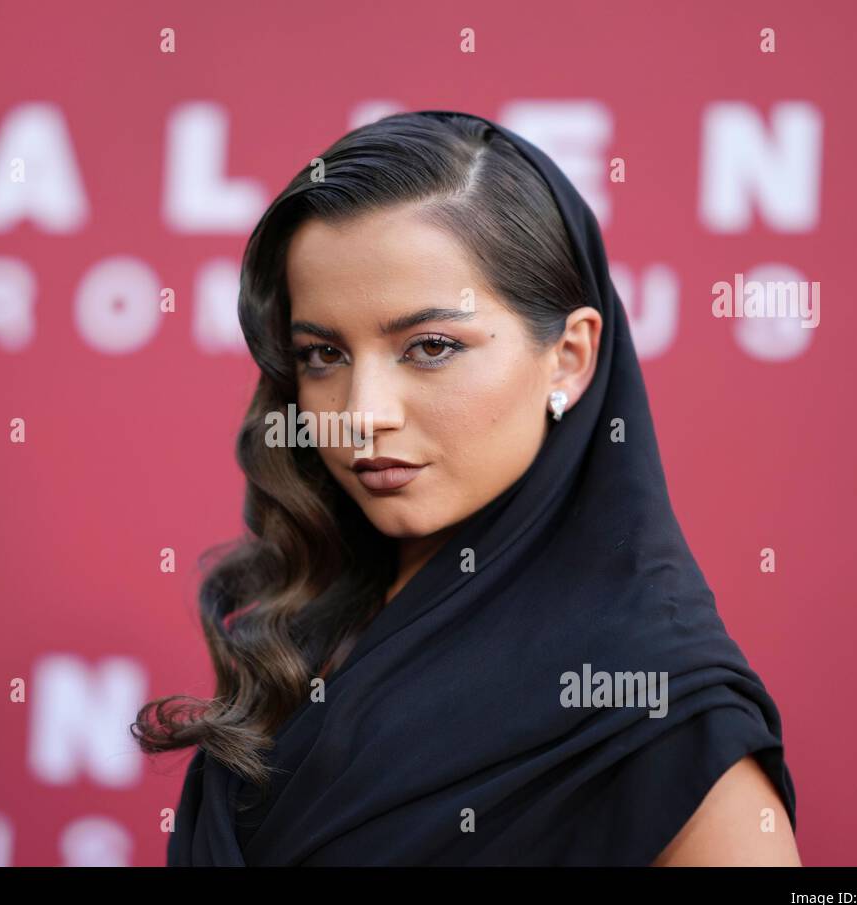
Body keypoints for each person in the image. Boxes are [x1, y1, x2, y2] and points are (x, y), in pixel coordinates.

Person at [134, 109, 800, 866]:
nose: (362, 416)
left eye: (431, 347)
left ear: (571, 357)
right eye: (323, 355)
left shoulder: (663, 720)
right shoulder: (303, 630)